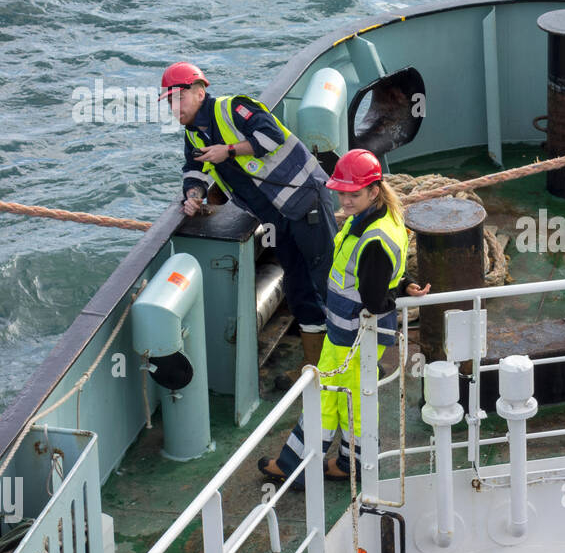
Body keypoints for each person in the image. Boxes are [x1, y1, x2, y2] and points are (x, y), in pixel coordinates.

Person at [258, 148, 429, 485]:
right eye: (341, 192)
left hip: (353, 336)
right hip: (350, 333)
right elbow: (387, 273)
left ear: (373, 192)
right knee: (349, 402)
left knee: (334, 399)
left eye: (352, 194)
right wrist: (405, 283)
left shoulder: (374, 236)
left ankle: (301, 467)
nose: (344, 201)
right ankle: (352, 463)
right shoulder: (381, 218)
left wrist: (395, 292)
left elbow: (376, 298)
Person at [161, 61, 337, 371]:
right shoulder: (193, 135)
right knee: (299, 289)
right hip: (275, 219)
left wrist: (227, 150)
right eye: (170, 102)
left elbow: (272, 137)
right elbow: (194, 170)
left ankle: (357, 360)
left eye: (179, 97)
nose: (175, 108)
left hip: (305, 201)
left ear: (200, 92)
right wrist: (192, 196)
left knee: (328, 280)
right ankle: (315, 366)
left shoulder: (234, 109)